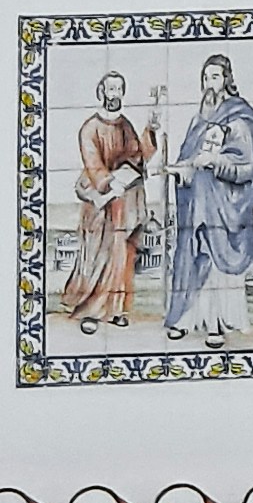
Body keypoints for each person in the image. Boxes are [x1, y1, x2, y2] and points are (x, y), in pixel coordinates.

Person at [165, 53, 253, 340]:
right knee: (194, 255)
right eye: (205, 77)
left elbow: (246, 164)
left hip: (224, 206)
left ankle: (216, 323)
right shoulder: (200, 119)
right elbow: (189, 156)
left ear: (226, 80)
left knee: (213, 257)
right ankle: (187, 318)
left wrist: (214, 161)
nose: (208, 83)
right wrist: (182, 168)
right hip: (197, 203)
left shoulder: (239, 117)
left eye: (214, 76)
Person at [56, 72, 153, 331]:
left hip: (124, 202)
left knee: (121, 255)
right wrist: (108, 181)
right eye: (111, 89)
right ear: (102, 92)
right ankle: (91, 310)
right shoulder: (90, 127)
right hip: (100, 200)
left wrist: (151, 131)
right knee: (98, 254)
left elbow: (137, 155)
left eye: (120, 89)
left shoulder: (125, 125)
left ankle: (117, 309)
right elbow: (92, 162)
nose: (115, 94)